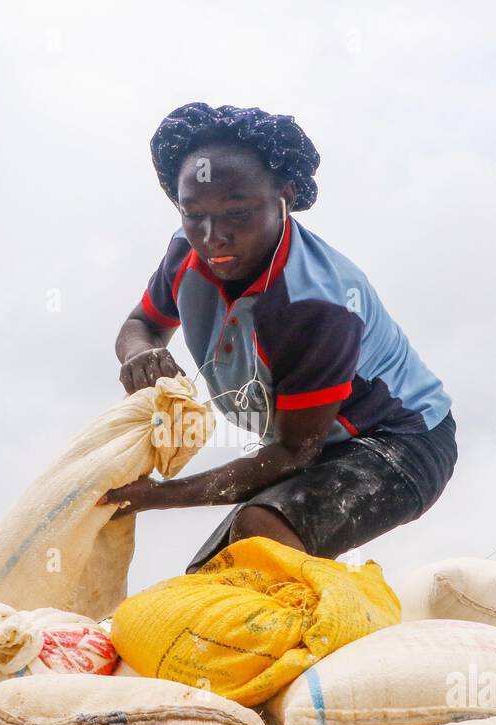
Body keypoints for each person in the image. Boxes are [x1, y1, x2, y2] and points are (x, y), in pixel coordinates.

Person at [101, 102, 457, 573]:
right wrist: (140, 355)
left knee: (259, 538)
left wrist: (159, 497)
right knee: (208, 578)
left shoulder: (317, 305)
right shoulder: (185, 254)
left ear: (283, 196)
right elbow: (140, 326)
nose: (214, 237)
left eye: (237, 212)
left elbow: (295, 452)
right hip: (308, 443)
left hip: (402, 442)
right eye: (193, 213)